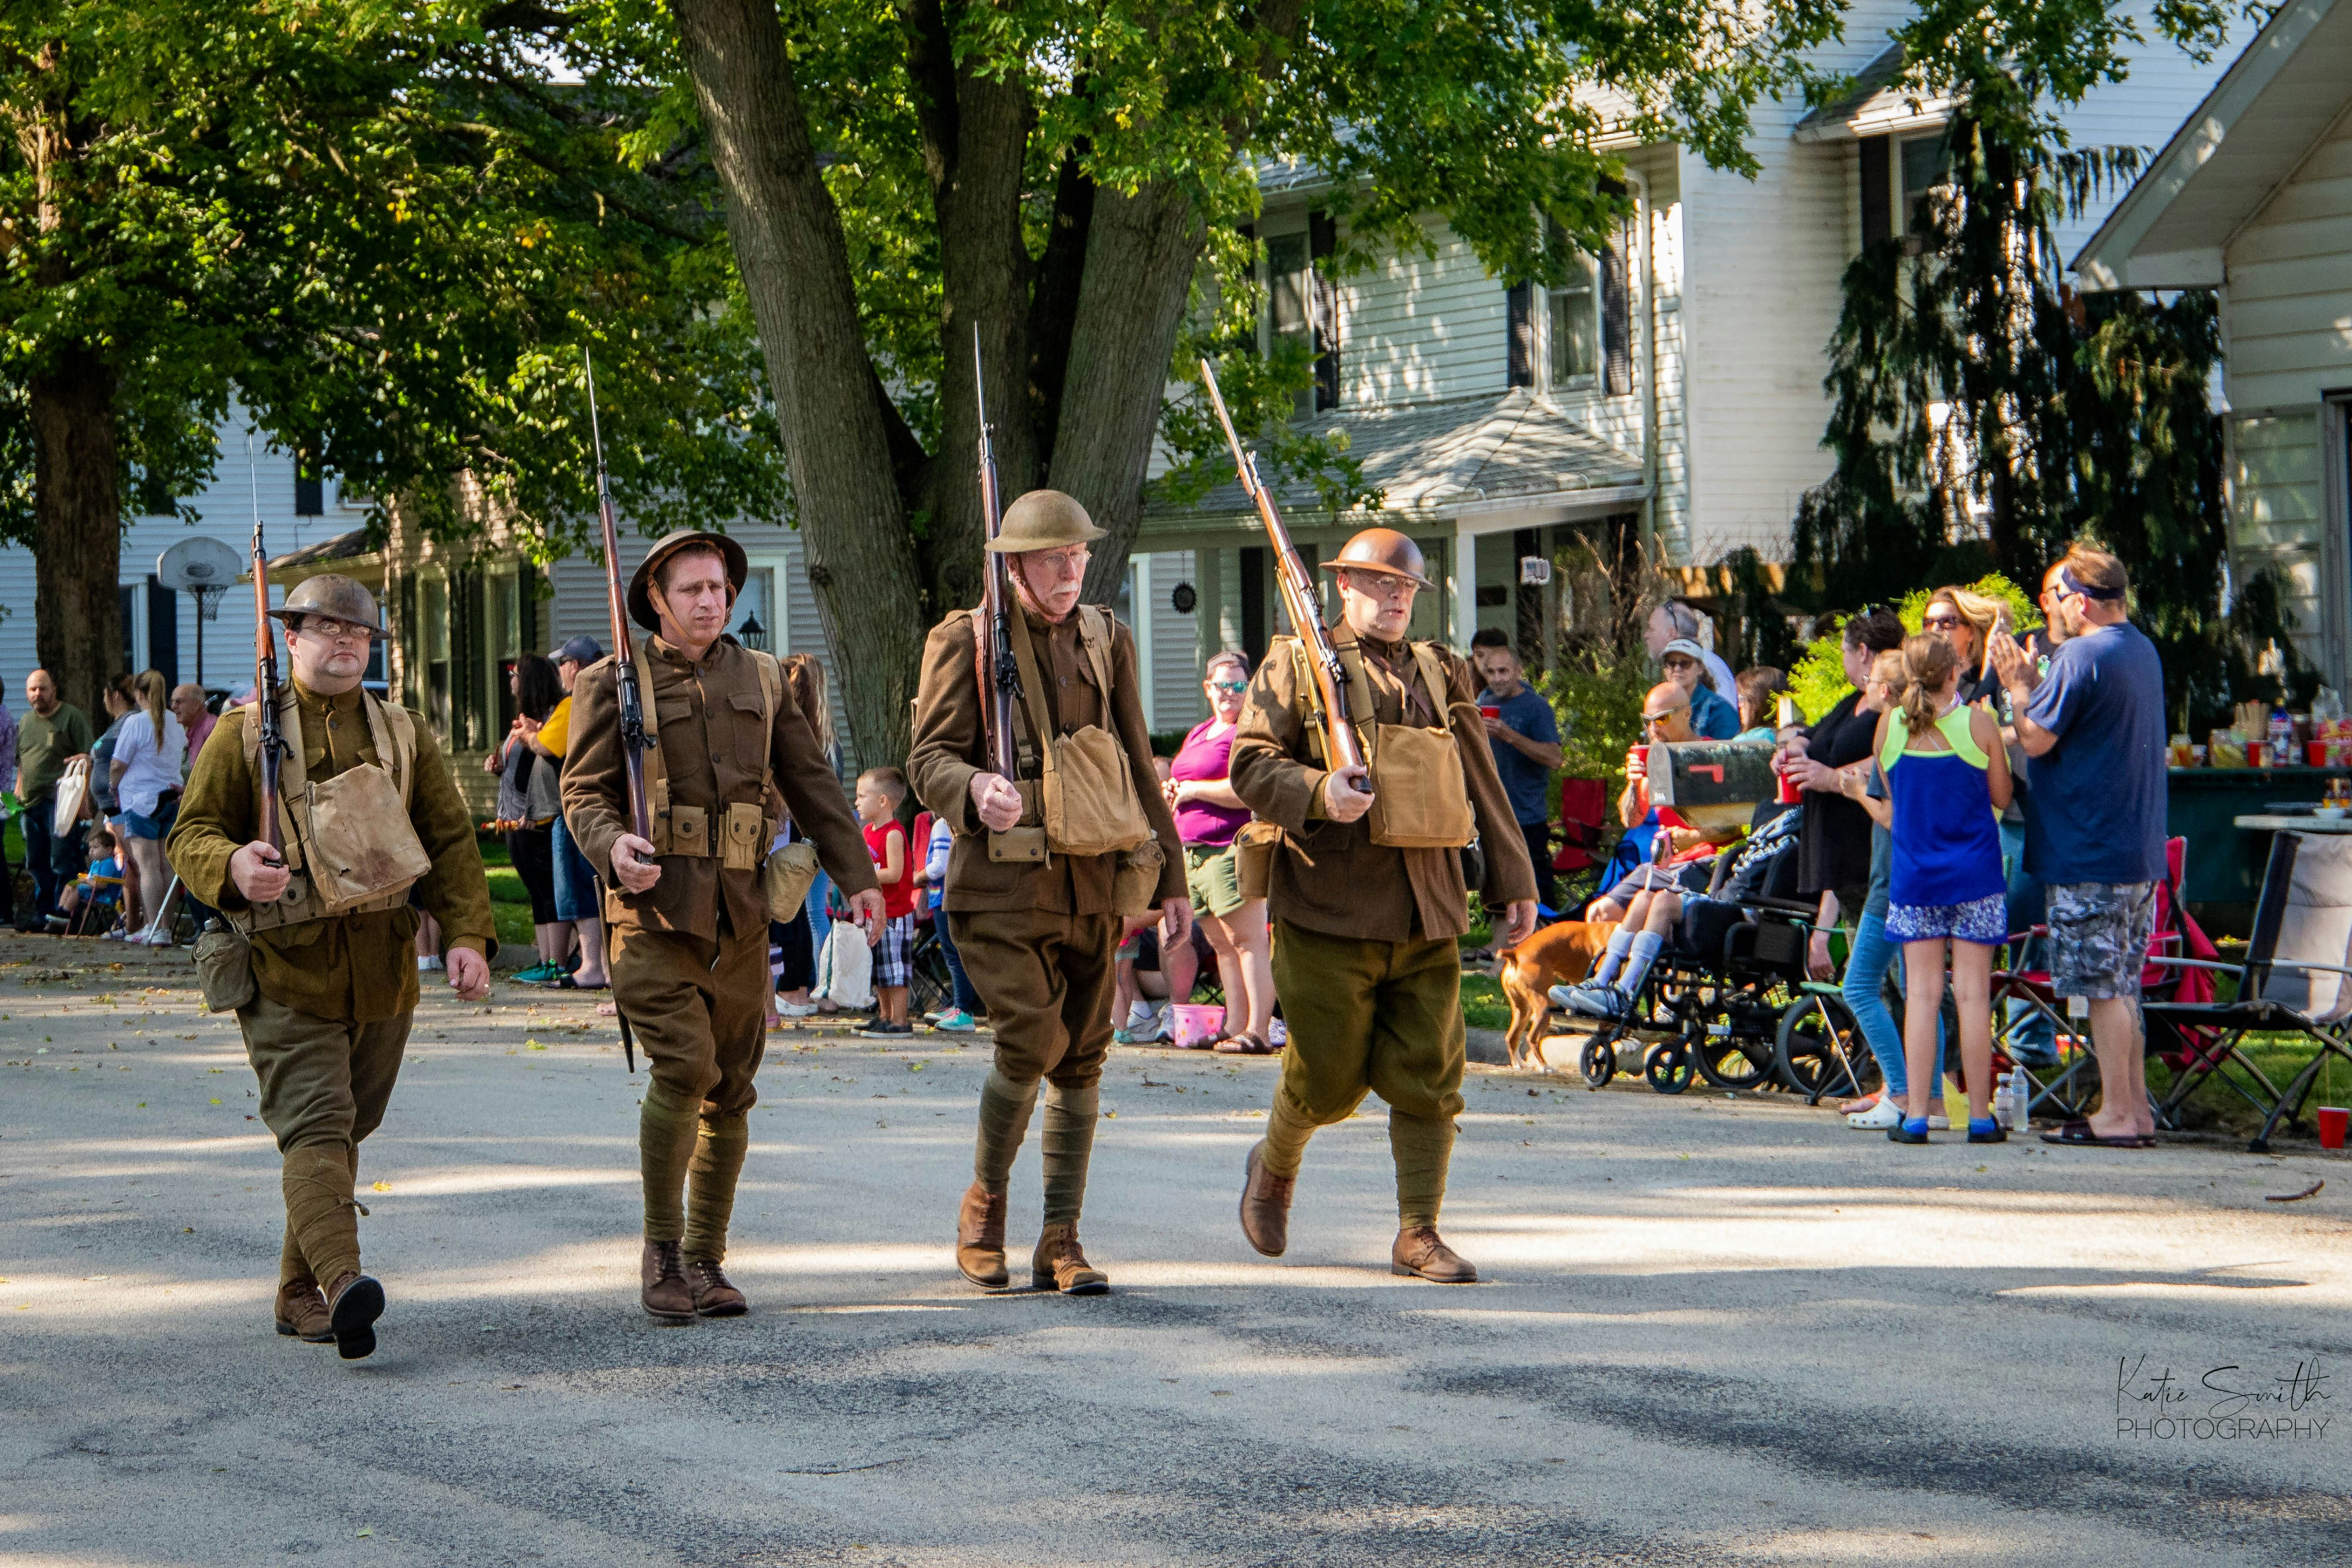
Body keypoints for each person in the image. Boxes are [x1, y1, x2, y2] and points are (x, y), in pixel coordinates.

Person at [166, 574, 496, 1360]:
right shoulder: (243, 733)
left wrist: (468, 936)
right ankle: (346, 1284)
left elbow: (449, 841)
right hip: (284, 964)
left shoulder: (402, 732)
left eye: (358, 632)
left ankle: (295, 1288)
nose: (344, 640)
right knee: (315, 1123)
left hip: (383, 969)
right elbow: (191, 833)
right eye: (325, 627)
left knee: (345, 1131)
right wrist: (235, 864)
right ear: (291, 637)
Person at [564, 530, 883, 1322]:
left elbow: (812, 782)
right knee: (684, 1066)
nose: (710, 601)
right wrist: (611, 846)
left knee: (732, 1088)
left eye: (719, 588)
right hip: (651, 914)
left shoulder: (765, 679)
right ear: (657, 601)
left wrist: (860, 878)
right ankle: (662, 1248)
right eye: (692, 590)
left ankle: (707, 1258)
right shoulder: (613, 682)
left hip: (739, 916)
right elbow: (582, 792)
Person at [1230, 527, 1537, 1284]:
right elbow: (1248, 763)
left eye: (1404, 587)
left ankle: (1417, 1232)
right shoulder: (1295, 661)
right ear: (1342, 586)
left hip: (1426, 904)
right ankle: (1272, 1163)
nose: (1394, 596)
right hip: (1327, 908)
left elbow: (1479, 779)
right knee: (1328, 1080)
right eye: (1377, 583)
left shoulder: (1441, 669)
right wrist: (1313, 790)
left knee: (1430, 1077)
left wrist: (1514, 879)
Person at [908, 489, 1190, 1297]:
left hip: (1091, 881)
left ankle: (1059, 1238)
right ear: (1013, 565)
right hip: (999, 885)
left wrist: (1169, 877)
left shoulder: (1106, 638)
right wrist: (972, 786)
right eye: (1050, 557)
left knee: (1083, 1055)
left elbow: (1139, 758)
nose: (1069, 570)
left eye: (1078, 555)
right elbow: (927, 757)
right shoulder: (961, 639)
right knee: (1030, 1042)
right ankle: (985, 1204)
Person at [1989, 545, 2168, 1149]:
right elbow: (2078, 719)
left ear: (2080, 600)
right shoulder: (2138, 649)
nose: (2053, 610)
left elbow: (2036, 738)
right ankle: (2135, 1109)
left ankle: (2117, 1112)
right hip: (2135, 848)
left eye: (2057, 597)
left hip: (2089, 848)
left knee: (2101, 988)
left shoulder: (2083, 653)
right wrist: (2038, 684)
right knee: (2123, 984)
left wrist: (2018, 685)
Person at [1874, 633, 2012, 1145]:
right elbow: (2001, 794)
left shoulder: (1889, 728)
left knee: (1921, 997)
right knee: (1973, 996)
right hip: (1975, 875)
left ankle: (1914, 1116)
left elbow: (1893, 794)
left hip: (1914, 879)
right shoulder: (1979, 725)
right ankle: (1979, 1116)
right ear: (1955, 671)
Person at [1553, 683, 1735, 1019]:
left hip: (1703, 862)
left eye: (1663, 719)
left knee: (1650, 906)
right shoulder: (1655, 758)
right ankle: (1602, 989)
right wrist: (1634, 782)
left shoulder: (1712, 755)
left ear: (1687, 714)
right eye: (1648, 720)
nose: (1654, 728)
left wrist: (1692, 837)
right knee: (1600, 911)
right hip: (1661, 865)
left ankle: (1646, 995)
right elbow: (1631, 818)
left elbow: (1735, 827)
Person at [1833, 650, 1947, 1131]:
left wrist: (1858, 792)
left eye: (1871, 682)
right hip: (1921, 877)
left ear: (1884, 691)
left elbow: (1895, 817)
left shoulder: (1891, 734)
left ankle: (1900, 1091)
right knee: (1922, 993)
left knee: (1858, 986)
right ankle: (1934, 1099)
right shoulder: (1932, 732)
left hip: (1892, 882)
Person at [1778, 607, 1906, 978]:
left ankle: (1938, 1039)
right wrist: (1795, 747)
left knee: (1889, 982)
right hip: (1842, 864)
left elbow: (1892, 757)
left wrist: (1833, 778)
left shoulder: (1890, 708)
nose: (1845, 660)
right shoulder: (1853, 701)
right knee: (1874, 985)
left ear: (1862, 651)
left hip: (1871, 855)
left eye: (1844, 651)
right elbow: (1815, 733)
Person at [1166, 651, 1279, 1053]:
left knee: (1249, 942)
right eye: (1221, 686)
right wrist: (1173, 792)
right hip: (1193, 852)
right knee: (1222, 945)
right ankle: (1234, 1025)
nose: (1229, 693)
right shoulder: (1200, 732)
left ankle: (1259, 1031)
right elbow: (1180, 778)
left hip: (1229, 849)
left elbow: (1245, 789)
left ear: (1248, 688)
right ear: (1207, 689)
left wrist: (1192, 790)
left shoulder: (1248, 734)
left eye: (1237, 685)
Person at [1467, 629, 1565, 912]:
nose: (1497, 678)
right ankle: (1502, 949)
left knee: (1537, 886)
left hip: (1527, 814)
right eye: (1491, 672)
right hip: (1492, 810)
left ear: (1519, 671)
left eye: (1504, 671)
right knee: (1498, 886)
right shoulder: (1484, 702)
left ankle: (1555, 940)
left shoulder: (1536, 708)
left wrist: (1510, 736)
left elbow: (1555, 758)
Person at [532, 634, 609, 990]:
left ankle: (593, 966)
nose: (560, 671)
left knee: (579, 887)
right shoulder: (611, 697)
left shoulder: (578, 701)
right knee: (591, 885)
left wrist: (531, 735)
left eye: (562, 663)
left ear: (574, 666)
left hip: (578, 806)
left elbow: (550, 747)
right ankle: (601, 967)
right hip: (602, 806)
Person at [490, 654, 566, 982]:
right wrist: (497, 765)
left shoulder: (549, 720)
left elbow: (546, 764)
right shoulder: (525, 720)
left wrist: (530, 737)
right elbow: (518, 767)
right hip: (512, 817)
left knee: (548, 888)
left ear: (529, 679)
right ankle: (543, 957)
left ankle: (555, 963)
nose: (511, 680)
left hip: (536, 818)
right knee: (535, 889)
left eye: (515, 673)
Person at [110, 670, 187, 944]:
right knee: (166, 867)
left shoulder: (135, 723)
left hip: (141, 802)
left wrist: (112, 785)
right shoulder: (175, 722)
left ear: (139, 695)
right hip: (171, 798)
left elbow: (119, 763)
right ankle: (165, 927)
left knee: (147, 867)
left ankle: (153, 927)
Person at [19, 670, 96, 929]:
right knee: (37, 862)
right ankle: (44, 914)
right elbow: (24, 760)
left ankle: (65, 915)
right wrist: (19, 791)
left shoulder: (71, 717)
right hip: (31, 804)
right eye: (33, 690)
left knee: (62, 859)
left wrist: (84, 802)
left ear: (54, 689)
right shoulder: (27, 721)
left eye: (42, 688)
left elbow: (87, 758)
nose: (37, 694)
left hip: (61, 800)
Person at [854, 766, 918, 1038]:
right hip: (874, 913)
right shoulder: (867, 831)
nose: (856, 802)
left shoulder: (893, 833)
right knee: (879, 970)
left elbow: (893, 872)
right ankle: (884, 1016)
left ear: (883, 801)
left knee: (895, 970)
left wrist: (864, 876)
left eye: (862, 796)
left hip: (896, 914)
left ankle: (900, 1020)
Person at [919, 808, 980, 1030]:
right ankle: (958, 1005)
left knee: (954, 956)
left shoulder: (942, 825)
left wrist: (918, 877)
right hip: (952, 898)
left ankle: (963, 1011)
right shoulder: (957, 822)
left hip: (945, 898)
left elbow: (940, 866)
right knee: (956, 954)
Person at [88, 677, 138, 929]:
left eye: (105, 694)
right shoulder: (117, 724)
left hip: (120, 804)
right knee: (124, 863)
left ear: (114, 695)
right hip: (109, 807)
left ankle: (134, 924)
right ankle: (128, 921)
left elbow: (125, 760)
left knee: (129, 864)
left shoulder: (129, 721)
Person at [1924, 586, 2009, 709]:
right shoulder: (1923, 682)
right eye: (1928, 623)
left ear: (1971, 633)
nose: (1935, 630)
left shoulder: (1995, 679)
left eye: (1947, 622)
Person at [1646, 600, 1737, 708]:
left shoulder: (1708, 664)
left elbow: (1726, 716)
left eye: (1652, 629)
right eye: (1671, 664)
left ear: (1671, 633)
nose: (1646, 635)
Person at [1658, 637, 1741, 740]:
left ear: (1700, 668)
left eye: (1685, 663)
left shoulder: (1719, 709)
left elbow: (1729, 752)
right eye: (1671, 663)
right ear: (1665, 670)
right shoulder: (1659, 706)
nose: (1677, 669)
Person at [60, 823, 126, 934]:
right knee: (70, 886)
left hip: (106, 896)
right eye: (90, 847)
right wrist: (85, 879)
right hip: (94, 892)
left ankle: (66, 915)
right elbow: (92, 878)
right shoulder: (96, 863)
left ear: (109, 849)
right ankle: (61, 911)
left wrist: (86, 881)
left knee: (77, 889)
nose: (91, 851)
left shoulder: (109, 863)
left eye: (95, 847)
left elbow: (102, 885)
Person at [1733, 666, 1790, 741]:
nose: (1739, 705)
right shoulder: (1796, 736)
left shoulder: (1745, 741)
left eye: (1742, 698)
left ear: (1758, 702)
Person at [171, 683, 218, 763]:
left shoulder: (211, 730)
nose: (173, 706)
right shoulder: (193, 729)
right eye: (172, 701)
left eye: (179, 702)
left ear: (196, 705)